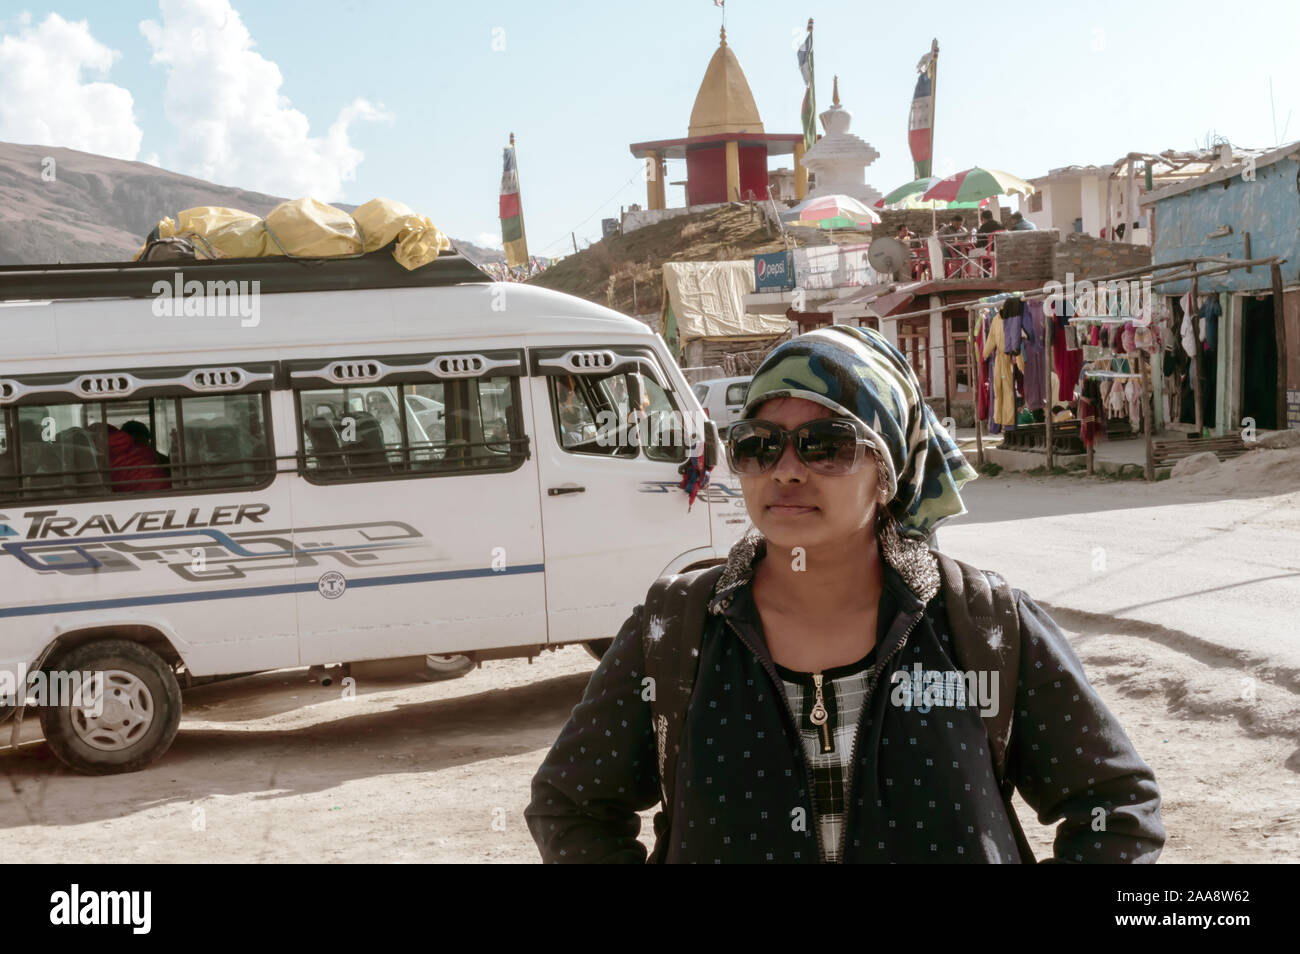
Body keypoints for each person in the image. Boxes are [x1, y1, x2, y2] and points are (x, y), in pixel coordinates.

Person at [526, 325, 1165, 864]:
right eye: (758, 445)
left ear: (886, 472)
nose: (786, 470)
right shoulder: (678, 626)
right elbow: (570, 804)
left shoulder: (983, 624)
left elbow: (1116, 807)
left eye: (824, 446)